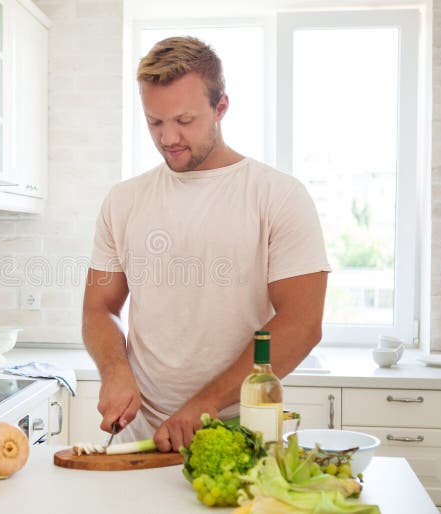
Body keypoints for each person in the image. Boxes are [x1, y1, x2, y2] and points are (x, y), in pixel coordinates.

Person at [82, 36, 331, 453]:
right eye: (155, 122)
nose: (168, 138)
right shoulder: (124, 200)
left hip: (239, 432)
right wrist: (114, 369)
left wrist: (205, 404)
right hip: (138, 439)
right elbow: (99, 307)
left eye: (184, 120)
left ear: (221, 108)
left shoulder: (277, 196)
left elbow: (303, 323)